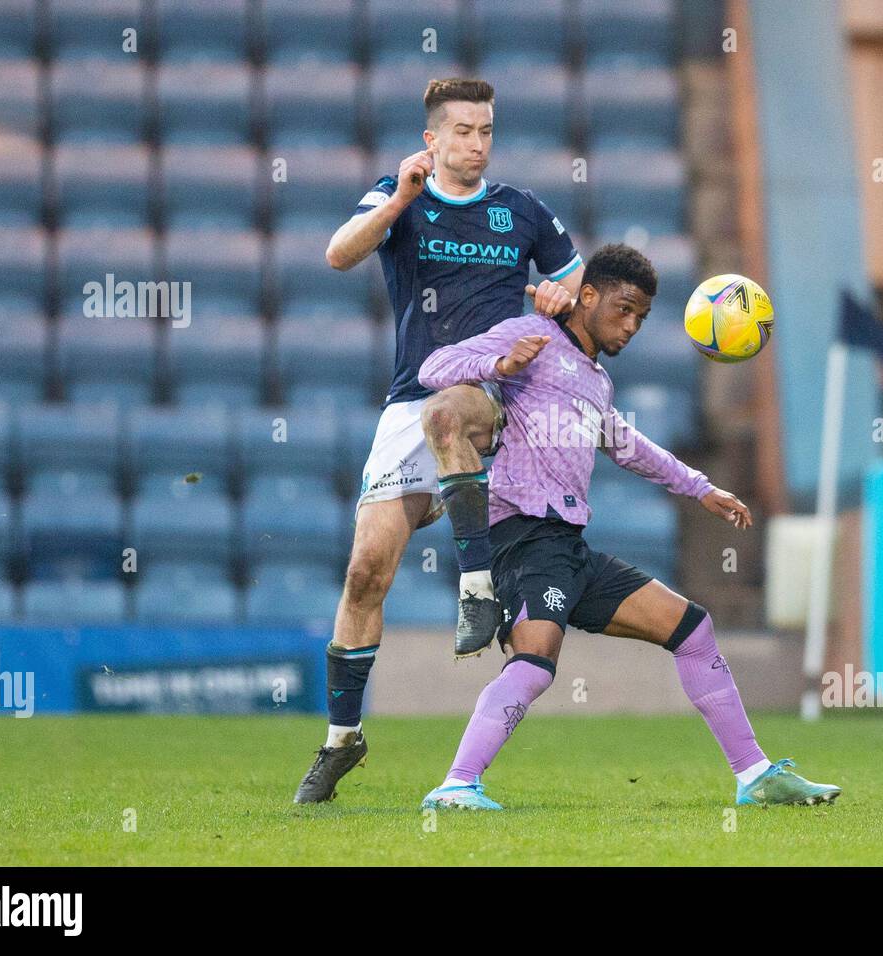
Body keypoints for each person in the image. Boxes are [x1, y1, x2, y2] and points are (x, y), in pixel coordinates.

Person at [413, 244, 843, 810]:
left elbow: (627, 445)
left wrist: (701, 487)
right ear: (587, 295)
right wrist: (498, 365)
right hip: (524, 534)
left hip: (568, 546)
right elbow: (432, 369)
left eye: (641, 316)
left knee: (692, 629)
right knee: (536, 663)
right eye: (624, 309)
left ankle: (756, 776)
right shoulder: (532, 336)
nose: (633, 325)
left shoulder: (595, 382)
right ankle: (456, 785)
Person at [294, 78, 583, 804]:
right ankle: (342, 739)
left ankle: (477, 586)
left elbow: (579, 290)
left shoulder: (521, 211)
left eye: (485, 130)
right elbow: (336, 254)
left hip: (491, 396)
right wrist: (396, 202)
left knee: (452, 413)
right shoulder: (401, 194)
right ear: (432, 138)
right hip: (407, 401)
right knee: (365, 572)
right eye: (462, 131)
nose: (476, 143)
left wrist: (559, 296)